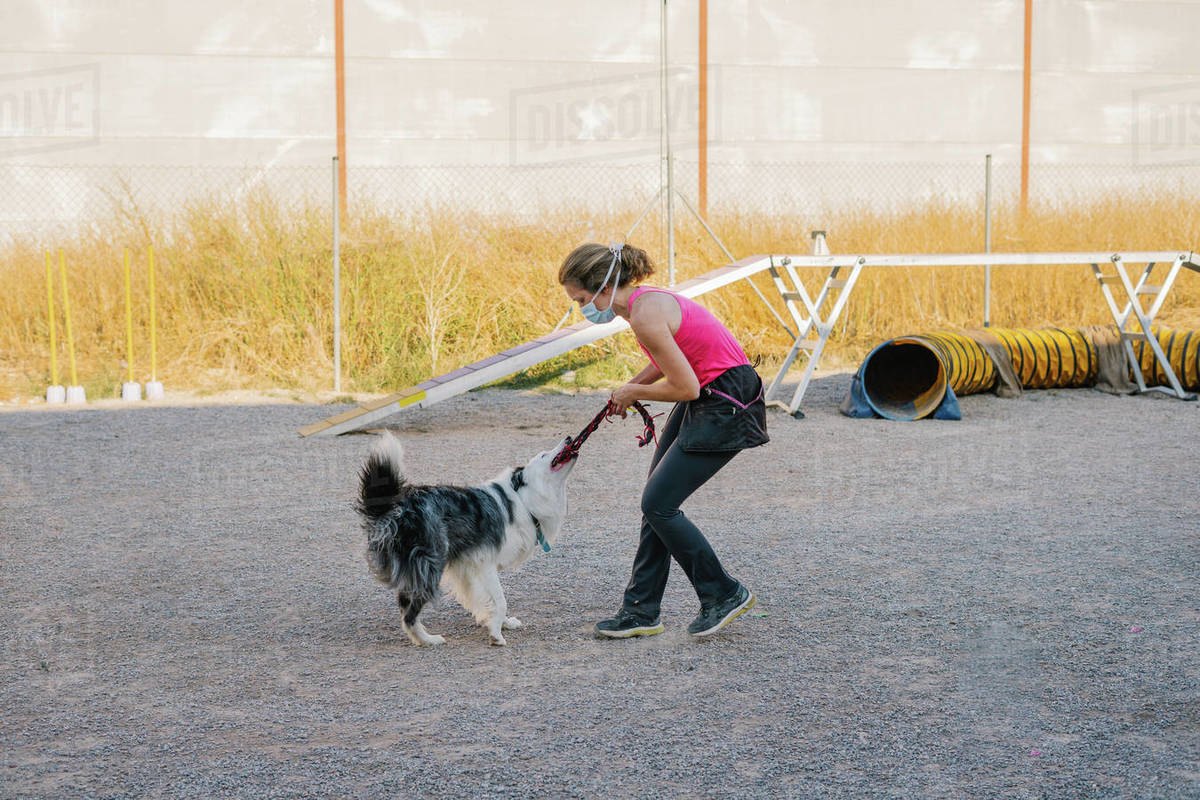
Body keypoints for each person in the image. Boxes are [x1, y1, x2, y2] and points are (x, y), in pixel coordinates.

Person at [559, 242, 769, 638]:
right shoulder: (646, 304)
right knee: (656, 502)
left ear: (603, 288)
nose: (582, 307)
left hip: (725, 401)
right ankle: (641, 611)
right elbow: (667, 359)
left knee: (658, 503)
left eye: (582, 299)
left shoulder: (644, 314)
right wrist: (630, 386)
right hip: (714, 394)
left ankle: (723, 593)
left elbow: (686, 386)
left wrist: (632, 394)